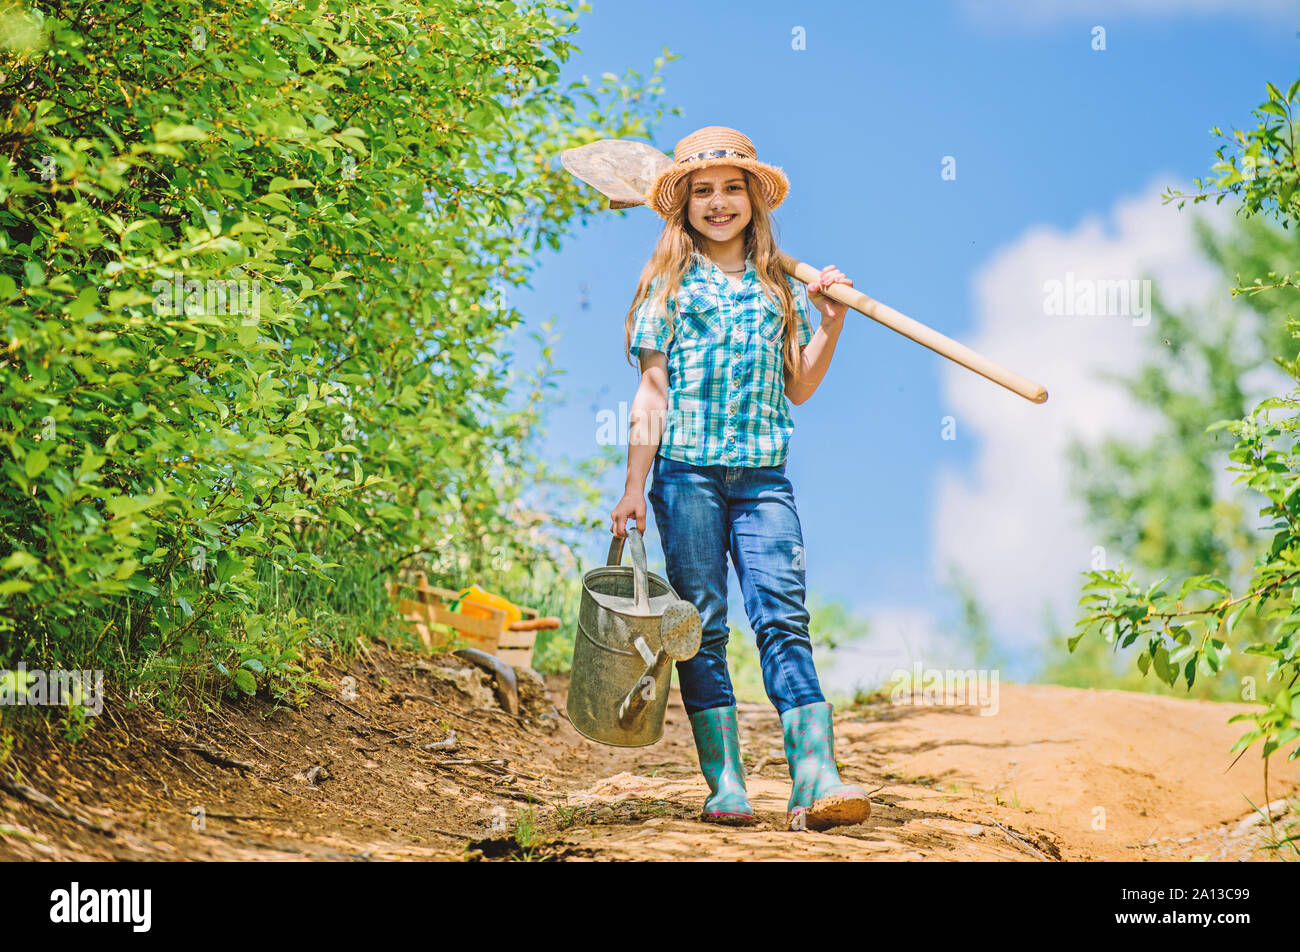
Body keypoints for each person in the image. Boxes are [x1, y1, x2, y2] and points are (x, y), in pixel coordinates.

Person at [609, 126, 872, 832]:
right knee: (699, 624)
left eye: (732, 189)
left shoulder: (777, 284)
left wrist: (830, 320)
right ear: (684, 205)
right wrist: (634, 486)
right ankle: (725, 782)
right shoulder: (665, 285)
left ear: (754, 199)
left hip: (764, 479)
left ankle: (815, 775)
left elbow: (800, 386)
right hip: (685, 476)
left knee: (784, 616)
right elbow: (651, 393)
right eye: (703, 191)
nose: (719, 203)